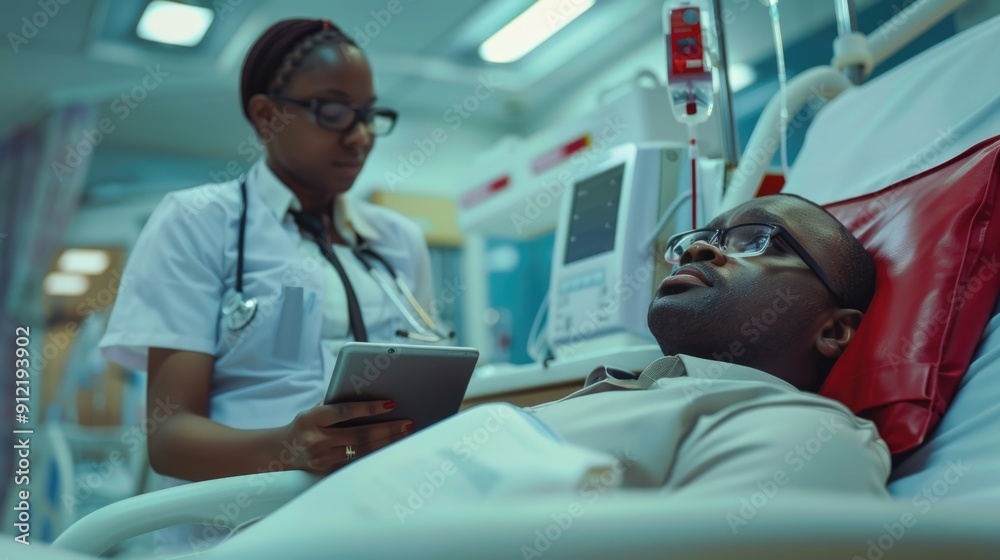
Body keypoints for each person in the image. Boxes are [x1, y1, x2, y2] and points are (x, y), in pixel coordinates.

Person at [99, 17, 438, 551]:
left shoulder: (398, 240)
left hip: (382, 514)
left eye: (371, 114)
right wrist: (290, 447)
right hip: (240, 530)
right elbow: (169, 436)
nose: (361, 134)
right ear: (267, 114)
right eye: (333, 110)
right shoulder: (197, 222)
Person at [523, 193, 890, 503]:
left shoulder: (810, 438)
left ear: (835, 329)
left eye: (757, 240)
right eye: (706, 238)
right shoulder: (643, 392)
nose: (697, 249)